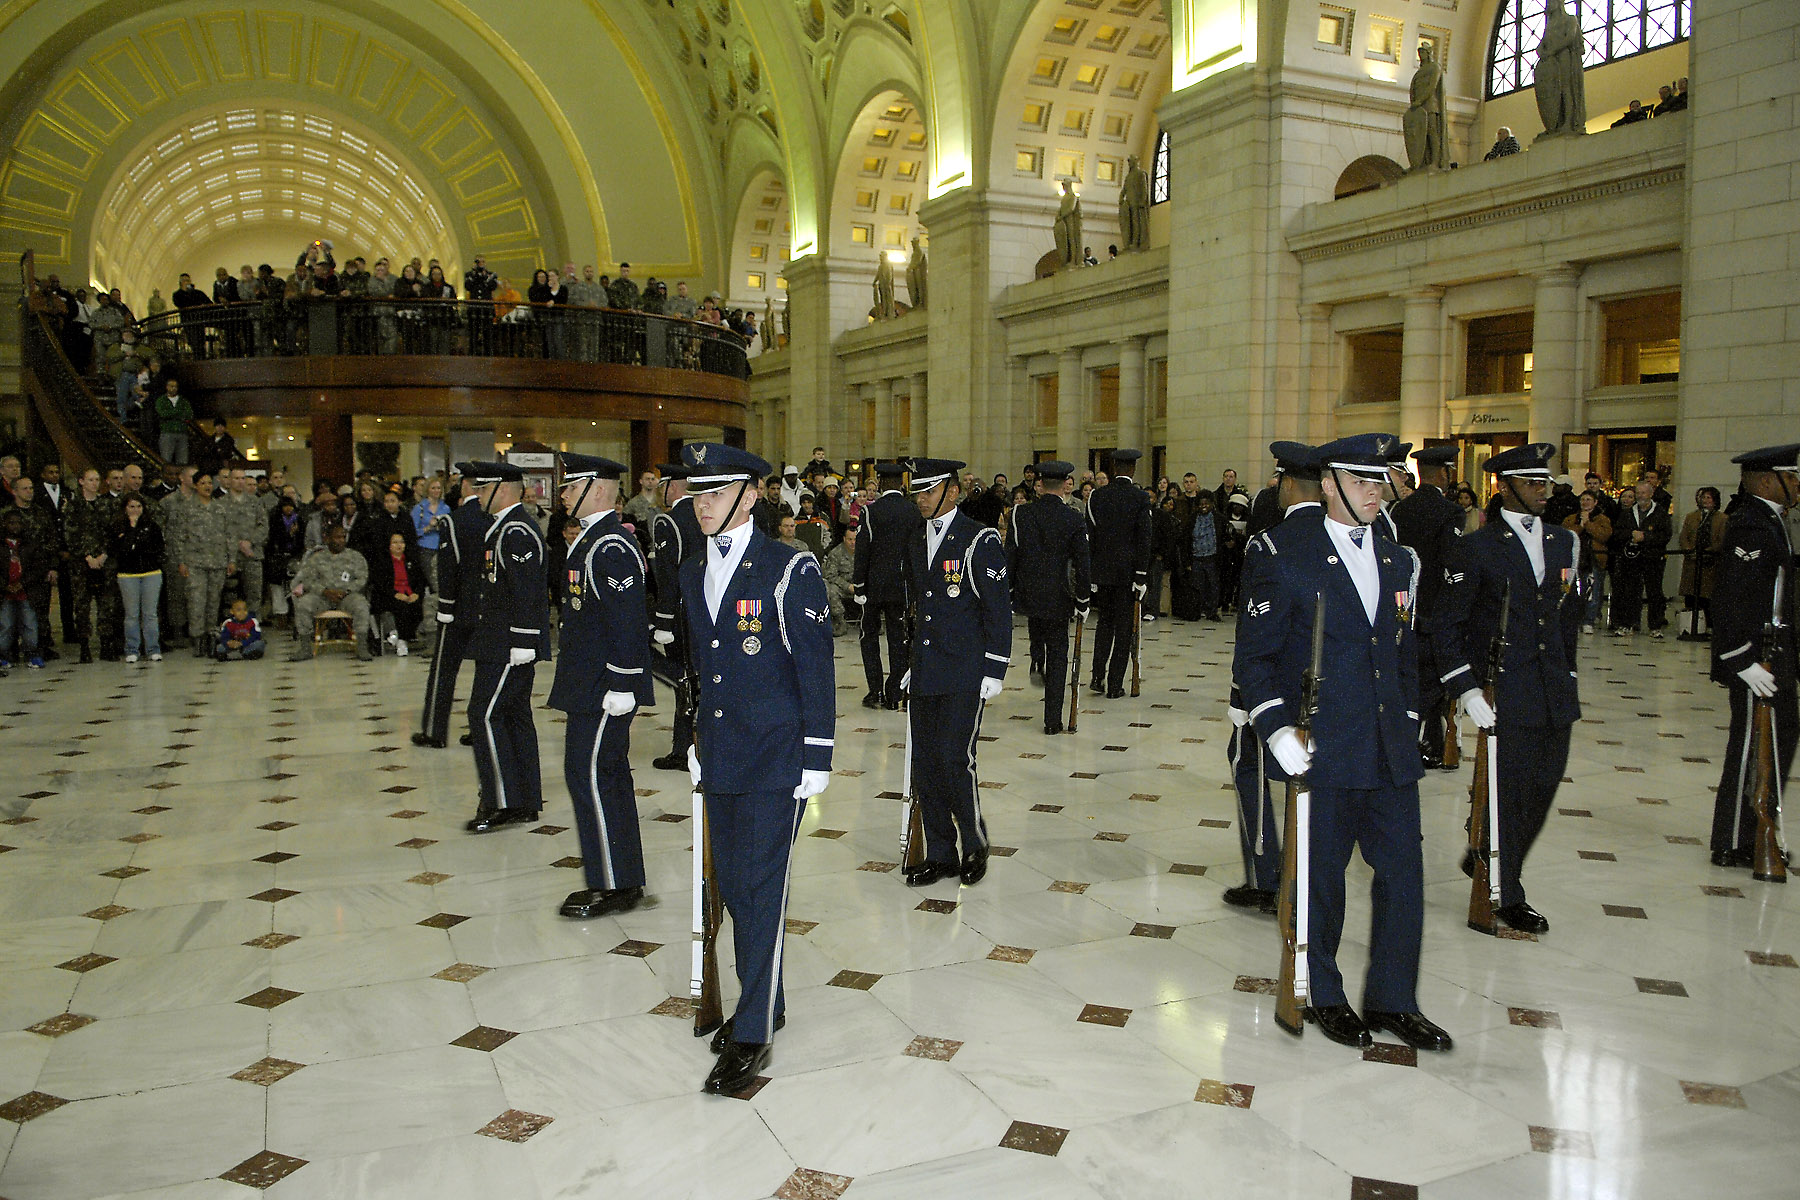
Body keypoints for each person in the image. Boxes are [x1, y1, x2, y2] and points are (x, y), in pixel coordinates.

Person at [1234, 433, 1450, 1052]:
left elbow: (1406, 652)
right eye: (1361, 480)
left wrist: (1411, 719)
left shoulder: (1396, 556)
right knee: (1321, 879)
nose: (1375, 492)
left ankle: (1394, 998)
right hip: (1322, 744)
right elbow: (1256, 656)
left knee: (1405, 877)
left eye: (1381, 480)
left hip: (1388, 747)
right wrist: (1275, 728)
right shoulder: (1282, 552)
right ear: (1328, 484)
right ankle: (1323, 991)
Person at [676, 441, 834, 1096]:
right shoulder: (692, 569)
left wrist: (817, 756)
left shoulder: (788, 570)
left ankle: (752, 1032)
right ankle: (764, 999)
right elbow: (704, 664)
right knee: (735, 887)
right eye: (697, 495)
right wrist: (694, 733)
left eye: (713, 494)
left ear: (748, 495)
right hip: (723, 752)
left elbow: (815, 666)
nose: (702, 506)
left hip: (777, 756)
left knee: (761, 888)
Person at [1435, 443, 1583, 937]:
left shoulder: (1563, 542)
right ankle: (1505, 889)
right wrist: (1466, 688)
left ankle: (1487, 855)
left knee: (1543, 787)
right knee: (1507, 793)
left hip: (1553, 687)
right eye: (1534, 482)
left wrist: (1571, 673)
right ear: (1505, 486)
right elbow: (1447, 622)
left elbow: (1566, 619)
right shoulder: (1477, 546)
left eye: (1547, 482)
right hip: (1505, 686)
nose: (1545, 491)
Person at [548, 454, 655, 919]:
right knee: (599, 775)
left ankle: (614, 883)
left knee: (592, 775)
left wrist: (624, 682)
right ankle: (617, 876)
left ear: (596, 488)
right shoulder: (592, 540)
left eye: (571, 486)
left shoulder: (611, 545)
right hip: (589, 683)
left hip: (604, 687)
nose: (564, 494)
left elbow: (627, 619)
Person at [898, 458, 1011, 885]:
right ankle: (941, 851)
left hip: (965, 670)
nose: (922, 500)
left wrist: (995, 667)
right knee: (925, 764)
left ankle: (974, 842)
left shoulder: (977, 540)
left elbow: (997, 608)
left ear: (951, 490)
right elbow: (921, 608)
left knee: (954, 759)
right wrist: (911, 664)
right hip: (927, 669)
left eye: (929, 491)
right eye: (918, 492)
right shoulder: (916, 538)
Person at [1224, 441, 1322, 915]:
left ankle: (1267, 878)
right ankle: (1314, 880)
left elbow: (1253, 628)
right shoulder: (1348, 537)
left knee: (1248, 762)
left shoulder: (1268, 544)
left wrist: (1240, 696)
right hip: (1331, 690)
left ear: (1286, 484)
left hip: (1276, 689)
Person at [1707, 443, 1798, 870]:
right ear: (1766, 481)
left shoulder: (1773, 521)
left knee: (1777, 741)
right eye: (1791, 476)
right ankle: (1731, 840)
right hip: (1756, 656)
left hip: (1776, 654)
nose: (1797, 484)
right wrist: (1741, 660)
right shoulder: (1750, 526)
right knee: (1749, 744)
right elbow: (1730, 599)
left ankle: (1755, 831)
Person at [462, 461, 550, 834]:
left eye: (484, 489)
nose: (478, 495)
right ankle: (525, 799)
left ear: (503, 489)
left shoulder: (516, 531)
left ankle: (500, 800)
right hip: (498, 641)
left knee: (483, 715)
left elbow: (528, 589)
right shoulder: (502, 529)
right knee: (513, 716)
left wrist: (524, 640)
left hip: (508, 644)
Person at [1389, 445, 1464, 770]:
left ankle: (1417, 741)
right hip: (1436, 612)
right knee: (1436, 685)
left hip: (1406, 610)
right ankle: (1431, 744)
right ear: (1444, 473)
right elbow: (1454, 566)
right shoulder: (1449, 512)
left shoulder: (1400, 510)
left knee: (1411, 680)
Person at [1006, 461, 1090, 735]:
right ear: (1064, 484)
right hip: (1059, 594)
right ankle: (1052, 719)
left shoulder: (1021, 514)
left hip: (1028, 591)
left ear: (1040, 484)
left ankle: (1036, 658)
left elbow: (1011, 555)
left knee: (1037, 627)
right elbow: (1082, 562)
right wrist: (1083, 599)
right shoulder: (1074, 517)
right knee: (1059, 654)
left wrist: (1008, 591)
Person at [415, 466, 492, 748]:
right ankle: (479, 729)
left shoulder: (454, 520)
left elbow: (449, 569)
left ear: (465, 487)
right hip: (489, 608)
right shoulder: (494, 519)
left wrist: (445, 607)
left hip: (459, 607)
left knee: (444, 670)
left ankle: (435, 731)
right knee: (486, 670)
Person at [852, 461, 920, 709]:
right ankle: (895, 693)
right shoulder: (913, 512)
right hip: (901, 587)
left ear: (879, 482)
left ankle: (875, 691)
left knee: (869, 636)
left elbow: (863, 551)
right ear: (902, 484)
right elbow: (917, 552)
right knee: (898, 639)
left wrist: (859, 586)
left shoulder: (870, 512)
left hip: (873, 587)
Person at [1086, 449, 1152, 699]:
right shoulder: (1140, 498)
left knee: (1104, 624)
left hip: (1102, 574)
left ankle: (1097, 676)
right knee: (1124, 630)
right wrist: (1141, 575)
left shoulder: (1097, 497)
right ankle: (1115, 684)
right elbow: (1144, 538)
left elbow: (1089, 537)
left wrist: (1091, 573)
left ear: (1114, 469)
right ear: (1132, 469)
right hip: (1127, 574)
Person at [649, 464, 702, 771]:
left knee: (684, 679)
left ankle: (685, 749)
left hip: (682, 613)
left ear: (674, 486)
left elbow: (668, 576)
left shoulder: (669, 522)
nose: (661, 492)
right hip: (709, 609)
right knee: (701, 677)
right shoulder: (708, 514)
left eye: (663, 486)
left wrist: (664, 620)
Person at [288, 522, 373, 662]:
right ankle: (305, 648)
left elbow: (362, 578)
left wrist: (346, 591)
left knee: (361, 605)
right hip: (322, 597)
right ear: (327, 538)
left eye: (343, 537)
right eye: (337, 537)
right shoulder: (316, 558)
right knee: (303, 605)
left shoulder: (356, 557)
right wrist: (325, 591)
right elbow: (308, 580)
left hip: (347, 596)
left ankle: (362, 647)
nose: (340, 541)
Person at [177, 472, 235, 656]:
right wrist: (181, 561)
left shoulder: (221, 508)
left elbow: (230, 535)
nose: (207, 486)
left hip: (217, 562)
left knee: (213, 602)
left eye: (210, 483)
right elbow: (179, 537)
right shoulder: (187, 508)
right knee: (196, 602)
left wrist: (231, 559)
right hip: (195, 563)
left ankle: (211, 637)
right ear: (195, 486)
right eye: (203, 483)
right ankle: (197, 640)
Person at [1610, 478, 1671, 638]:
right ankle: (1627, 624)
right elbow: (1617, 533)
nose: (1640, 496)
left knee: (1654, 592)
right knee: (1629, 591)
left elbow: (1665, 535)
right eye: (1638, 493)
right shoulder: (1627, 513)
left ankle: (1655, 626)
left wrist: (1646, 537)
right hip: (1631, 559)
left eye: (1643, 492)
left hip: (1653, 558)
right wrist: (1631, 535)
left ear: (1651, 494)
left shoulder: (1660, 514)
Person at [111, 492, 163, 663]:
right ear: (125, 509)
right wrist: (132, 529)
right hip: (127, 575)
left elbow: (156, 547)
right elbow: (122, 550)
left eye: (138, 506)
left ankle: (153, 648)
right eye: (131, 506)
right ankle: (132, 649)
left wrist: (139, 546)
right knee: (132, 614)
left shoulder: (152, 526)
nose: (135, 510)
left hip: (151, 573)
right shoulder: (118, 527)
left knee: (150, 614)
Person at [1678, 487, 1728, 639]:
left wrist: (1708, 551)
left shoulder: (1723, 518)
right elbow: (1684, 537)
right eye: (1703, 498)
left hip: (1711, 563)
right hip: (1692, 563)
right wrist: (1690, 550)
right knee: (1691, 595)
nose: (1705, 501)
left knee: (1708, 596)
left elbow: (1722, 540)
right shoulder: (1691, 517)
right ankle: (1689, 626)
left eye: (1708, 498)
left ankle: (1709, 626)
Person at [0, 508, 47, 669]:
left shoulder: (30, 544)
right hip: (5, 592)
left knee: (30, 624)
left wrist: (23, 583)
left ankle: (32, 654)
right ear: (4, 524)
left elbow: (38, 568)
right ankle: (3, 655)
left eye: (18, 523)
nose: (15, 526)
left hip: (27, 592)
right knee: (5, 625)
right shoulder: (1, 545)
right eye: (11, 523)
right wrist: (5, 585)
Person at [1565, 489, 1612, 633]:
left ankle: (1589, 620)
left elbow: (1604, 535)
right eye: (1583, 500)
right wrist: (1580, 525)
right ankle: (1574, 618)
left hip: (1594, 559)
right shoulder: (1571, 518)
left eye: (1588, 500)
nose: (1585, 503)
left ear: (1595, 502)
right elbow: (1567, 534)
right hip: (1576, 559)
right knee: (1573, 590)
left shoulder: (1603, 519)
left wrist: (1589, 524)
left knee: (1593, 591)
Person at [372, 532, 427, 654]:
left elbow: (421, 581)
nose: (399, 545)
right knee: (401, 607)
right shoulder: (382, 562)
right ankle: (401, 640)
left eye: (401, 542)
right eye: (395, 542)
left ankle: (406, 637)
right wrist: (395, 594)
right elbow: (380, 583)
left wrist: (416, 593)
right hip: (390, 595)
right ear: (390, 546)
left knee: (417, 606)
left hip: (409, 593)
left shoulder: (412, 561)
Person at [821, 522, 856, 635]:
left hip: (861, 586)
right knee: (831, 589)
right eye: (850, 539)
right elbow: (830, 575)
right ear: (844, 539)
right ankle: (840, 622)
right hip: (843, 587)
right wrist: (847, 586)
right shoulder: (836, 553)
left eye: (855, 539)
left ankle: (874, 622)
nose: (852, 542)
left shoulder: (864, 552)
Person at [213, 596, 263, 661]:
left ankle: (241, 654)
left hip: (247, 645)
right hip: (232, 646)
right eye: (239, 610)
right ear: (232, 611)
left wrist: (242, 643)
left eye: (244, 610)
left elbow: (256, 636)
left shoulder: (253, 621)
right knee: (220, 647)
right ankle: (238, 654)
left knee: (259, 644)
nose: (242, 612)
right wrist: (229, 642)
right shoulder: (228, 623)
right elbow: (223, 637)